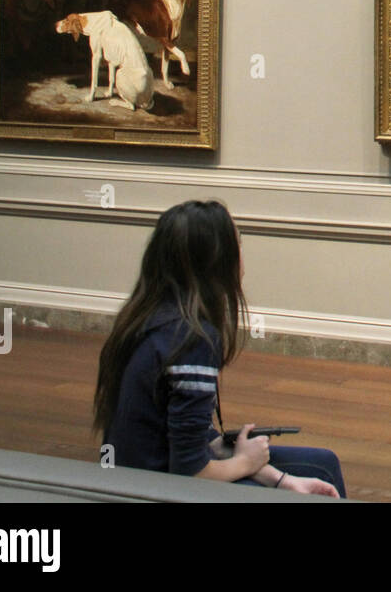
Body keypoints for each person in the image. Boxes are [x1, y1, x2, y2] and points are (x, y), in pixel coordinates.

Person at [93, 200, 345, 497]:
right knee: (322, 474)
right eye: (238, 242)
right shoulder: (193, 340)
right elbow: (189, 471)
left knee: (323, 465)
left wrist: (279, 478)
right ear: (217, 261)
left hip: (132, 481)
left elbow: (188, 437)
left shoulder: (146, 319)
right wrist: (244, 462)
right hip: (157, 491)